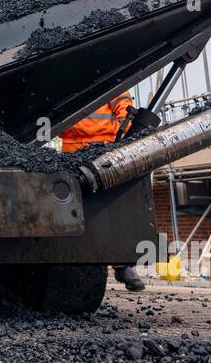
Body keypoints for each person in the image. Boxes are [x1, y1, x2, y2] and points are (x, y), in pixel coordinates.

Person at [60, 92, 146, 293]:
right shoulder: (63, 78)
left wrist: (127, 120)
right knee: (76, 213)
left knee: (114, 208)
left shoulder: (100, 71)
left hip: (103, 149)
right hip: (72, 151)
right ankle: (75, 264)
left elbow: (121, 99)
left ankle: (122, 263)